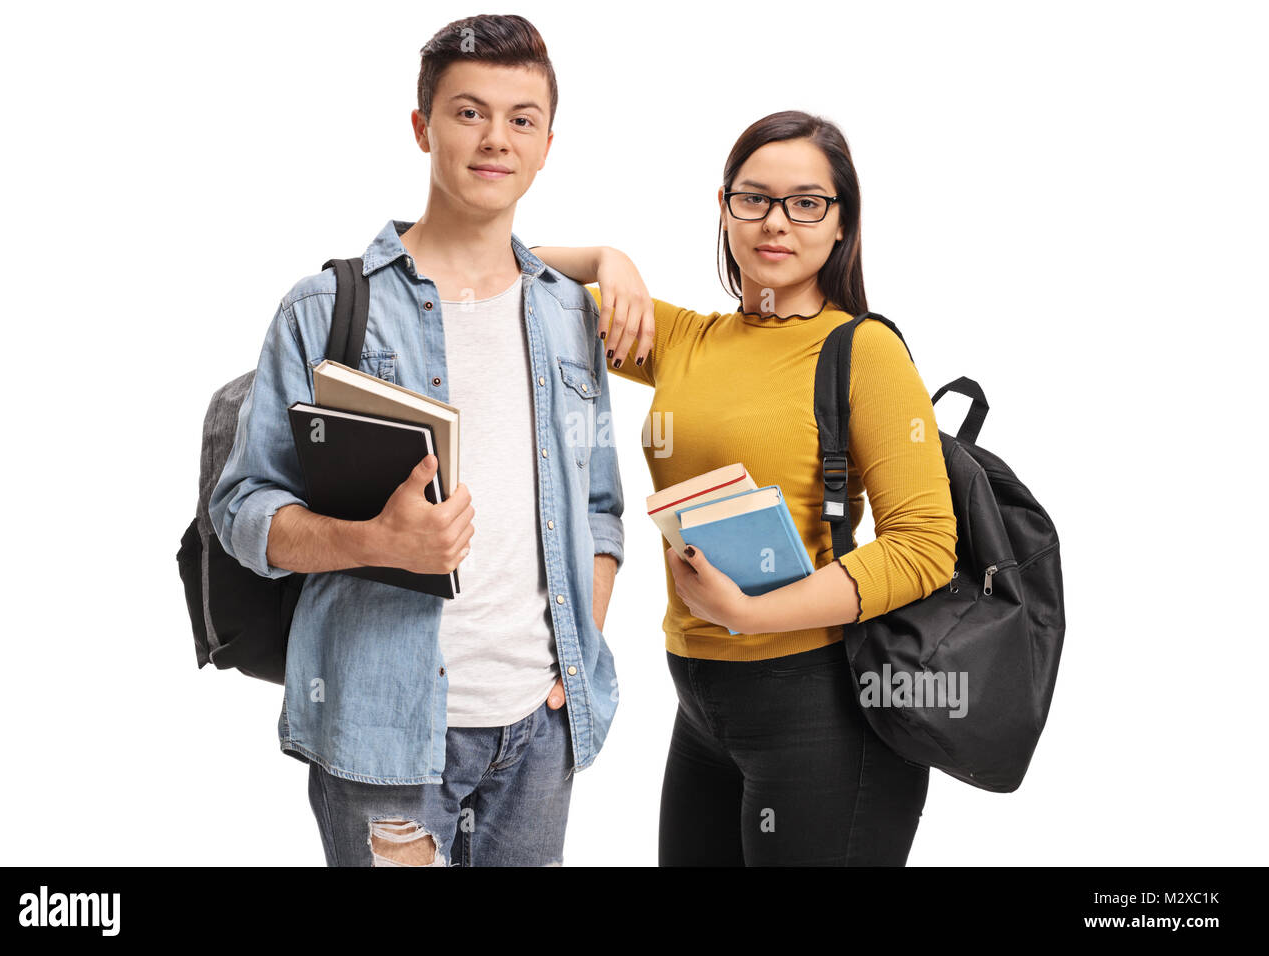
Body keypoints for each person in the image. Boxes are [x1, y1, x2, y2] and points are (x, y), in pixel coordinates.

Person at [208, 14, 624, 867]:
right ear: (421, 126)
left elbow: (601, 509)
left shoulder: (569, 314)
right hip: (382, 735)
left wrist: (574, 660)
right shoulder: (325, 309)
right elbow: (243, 511)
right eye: (468, 112)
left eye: (521, 119)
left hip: (539, 732)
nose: (495, 138)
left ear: (548, 143)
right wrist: (375, 541)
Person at [531, 111, 957, 866]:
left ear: (841, 223)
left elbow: (924, 548)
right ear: (723, 208)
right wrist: (607, 258)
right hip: (701, 703)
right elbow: (496, 273)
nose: (776, 222)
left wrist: (750, 613)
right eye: (752, 198)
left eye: (806, 202)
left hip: (818, 704)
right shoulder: (686, 339)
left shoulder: (864, 351)